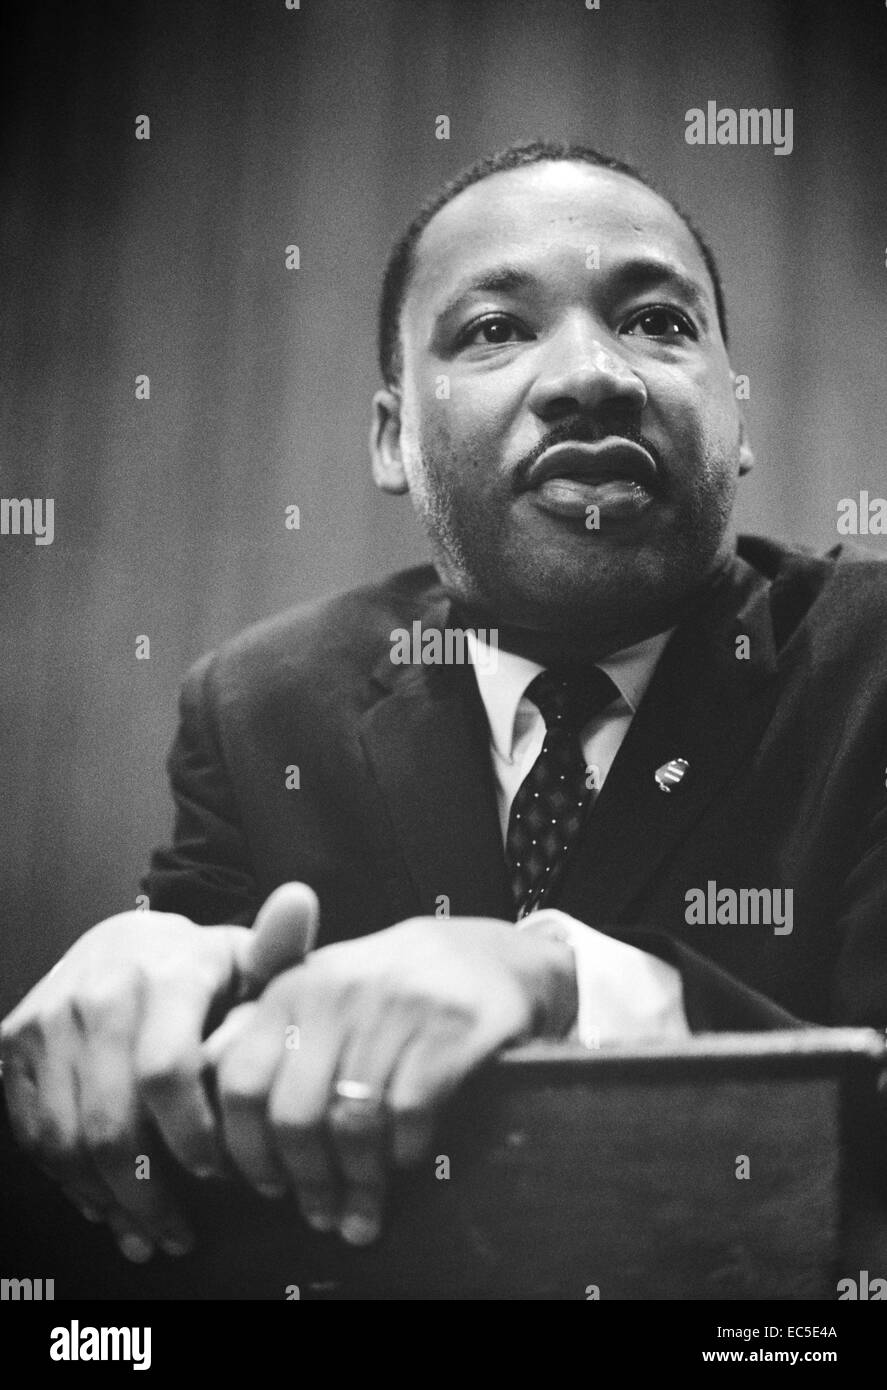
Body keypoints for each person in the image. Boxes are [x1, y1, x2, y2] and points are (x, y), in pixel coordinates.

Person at [3, 140, 886, 1270]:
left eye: (658, 322)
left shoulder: (867, 662)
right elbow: (190, 1089)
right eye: (492, 329)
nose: (593, 374)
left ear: (737, 416)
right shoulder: (265, 705)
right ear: (391, 440)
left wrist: (555, 978)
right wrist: (142, 976)